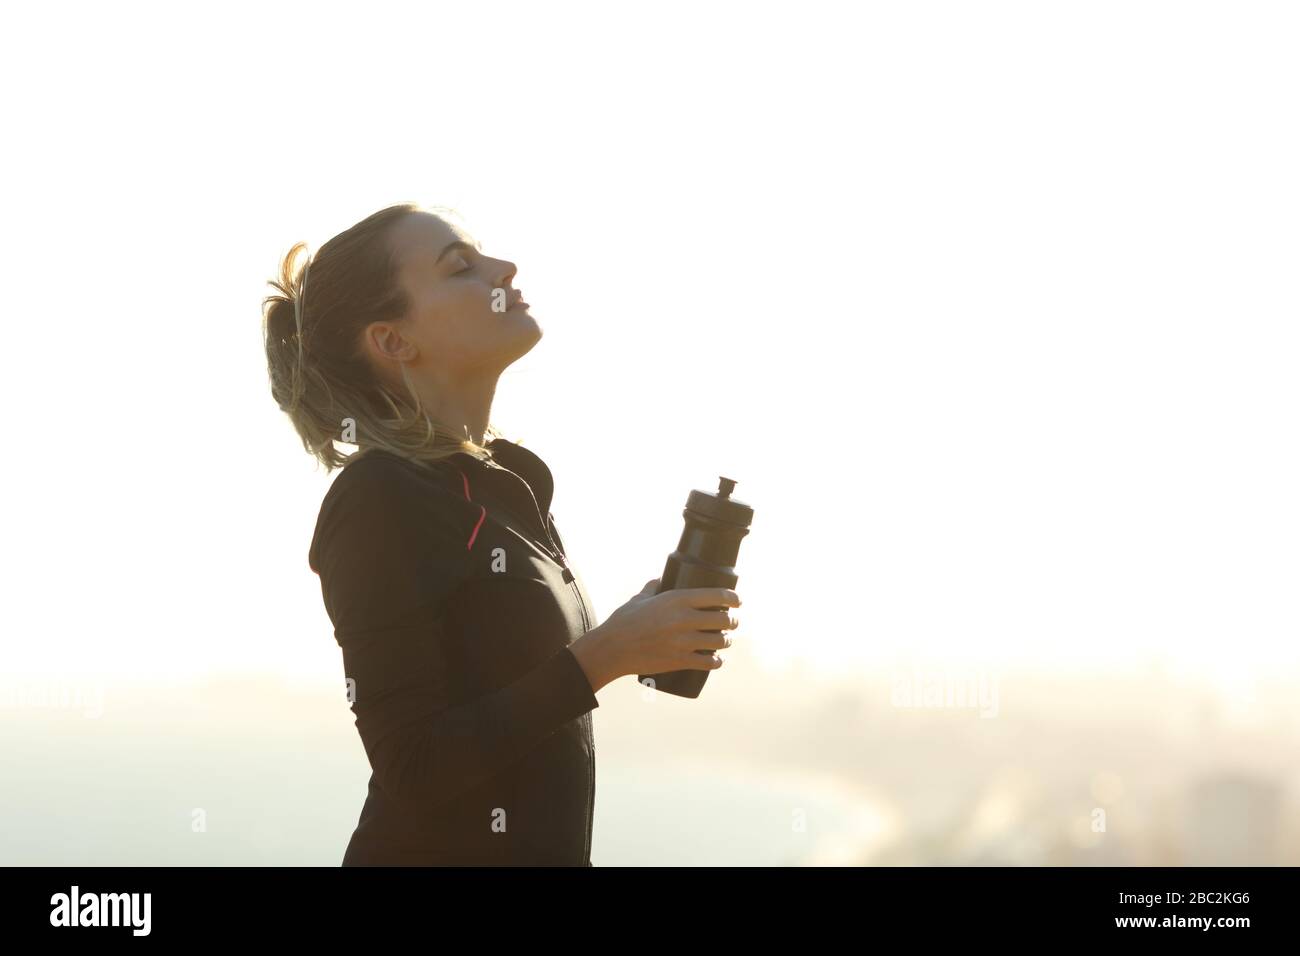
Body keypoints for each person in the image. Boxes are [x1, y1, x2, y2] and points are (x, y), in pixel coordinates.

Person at [261, 203, 742, 865]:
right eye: (461, 268)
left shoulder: (509, 482)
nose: (504, 268)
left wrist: (636, 631)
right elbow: (415, 765)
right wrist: (607, 654)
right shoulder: (377, 497)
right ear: (394, 341)